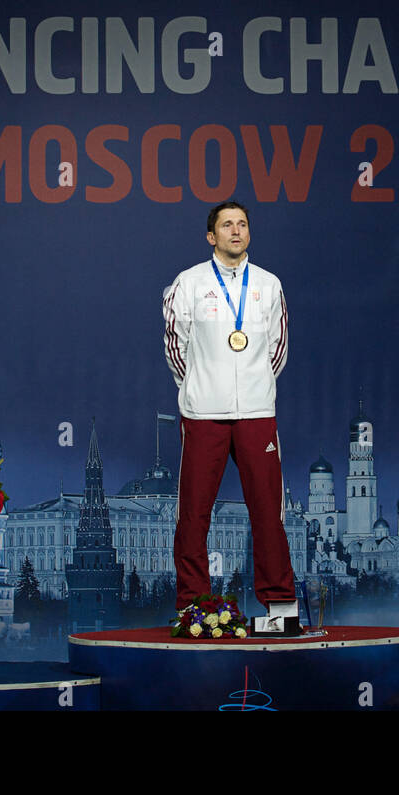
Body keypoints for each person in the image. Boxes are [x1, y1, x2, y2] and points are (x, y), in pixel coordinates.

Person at [163, 202, 295, 614]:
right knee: (194, 515)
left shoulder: (270, 284)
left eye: (242, 224)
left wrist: (254, 384)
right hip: (204, 414)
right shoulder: (187, 283)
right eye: (226, 225)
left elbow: (278, 348)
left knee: (268, 513)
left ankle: (279, 606)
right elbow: (175, 346)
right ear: (211, 236)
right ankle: (194, 606)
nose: (235, 231)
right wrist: (200, 386)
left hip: (257, 413)